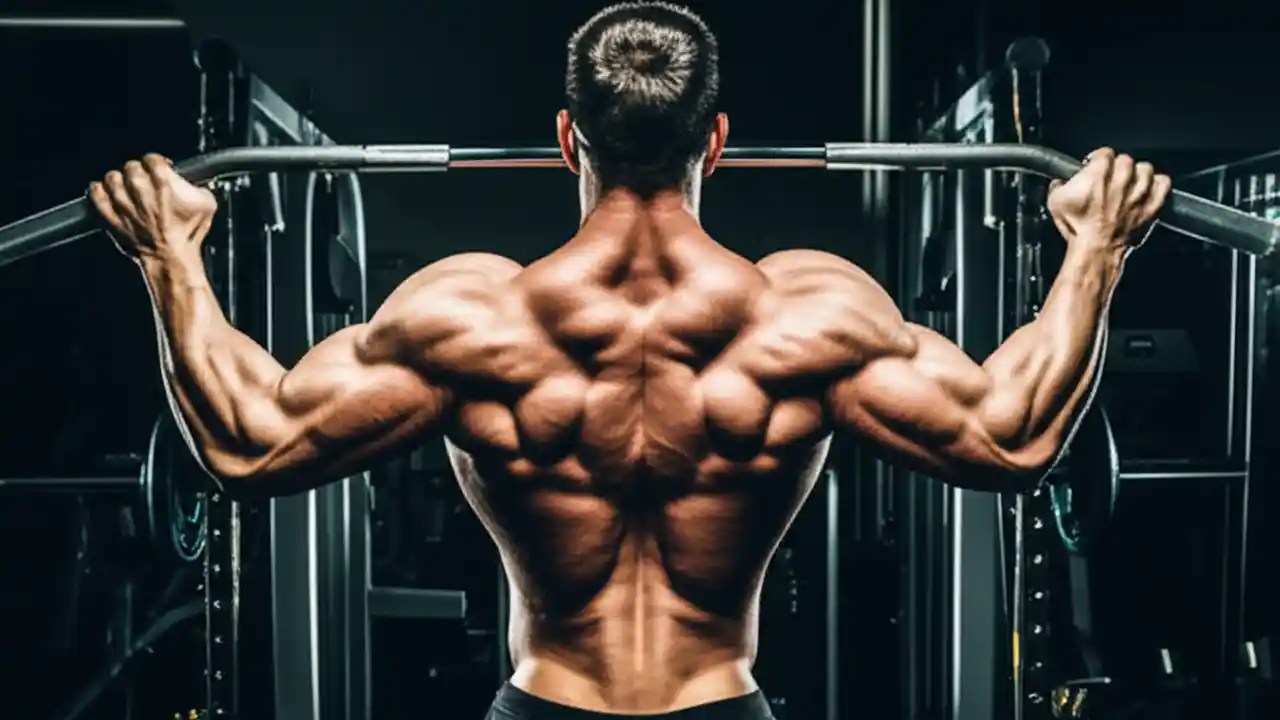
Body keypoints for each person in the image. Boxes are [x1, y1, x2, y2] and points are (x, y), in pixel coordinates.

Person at [87, 3, 1170, 718]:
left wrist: (169, 256)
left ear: (567, 137)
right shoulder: (806, 317)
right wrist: (1094, 248)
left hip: (542, 701)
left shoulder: (473, 320)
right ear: (715, 140)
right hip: (720, 700)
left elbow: (251, 442)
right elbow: (1011, 432)